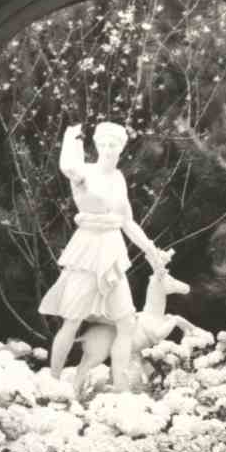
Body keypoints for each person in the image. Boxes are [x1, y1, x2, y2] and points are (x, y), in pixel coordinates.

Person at [40, 121, 170, 391]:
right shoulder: (84, 172)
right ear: (95, 145)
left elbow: (127, 221)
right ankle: (53, 385)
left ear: (121, 148)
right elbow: (67, 166)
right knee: (72, 321)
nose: (108, 149)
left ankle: (121, 387)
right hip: (87, 253)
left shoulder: (118, 178)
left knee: (125, 322)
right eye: (103, 144)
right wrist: (71, 136)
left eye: (113, 145)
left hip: (112, 252)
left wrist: (151, 250)